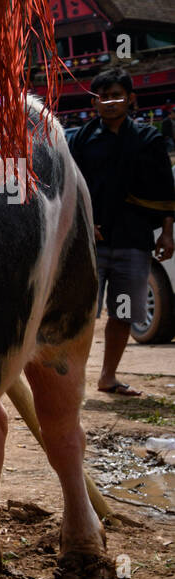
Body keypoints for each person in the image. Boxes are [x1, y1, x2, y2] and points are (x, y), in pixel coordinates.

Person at [69, 67, 175, 397]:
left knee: (123, 312)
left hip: (133, 242)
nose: (110, 102)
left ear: (130, 99)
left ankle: (108, 377)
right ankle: (72, 382)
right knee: (81, 314)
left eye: (117, 95)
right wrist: (85, 223)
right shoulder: (83, 140)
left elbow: (164, 191)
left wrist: (167, 233)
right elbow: (71, 188)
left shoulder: (149, 140)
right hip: (91, 244)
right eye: (103, 97)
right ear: (95, 102)